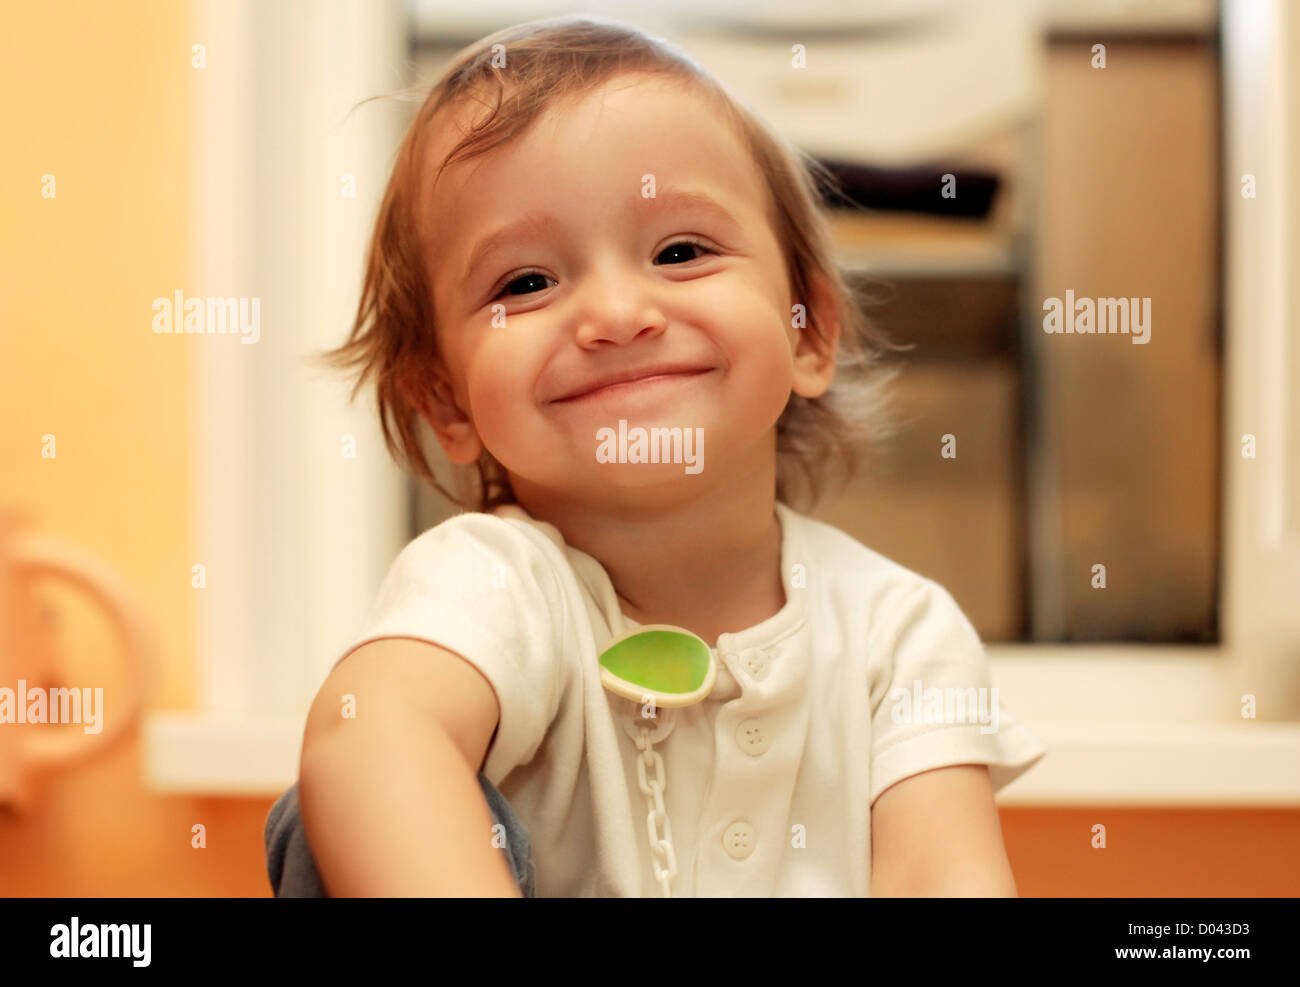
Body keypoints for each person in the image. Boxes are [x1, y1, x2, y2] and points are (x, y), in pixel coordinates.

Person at [265, 13, 1046, 898]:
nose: (617, 312)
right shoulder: (492, 584)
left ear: (809, 333)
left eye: (681, 251)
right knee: (318, 822)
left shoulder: (899, 634)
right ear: (448, 399)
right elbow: (369, 738)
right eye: (526, 282)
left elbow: (946, 878)